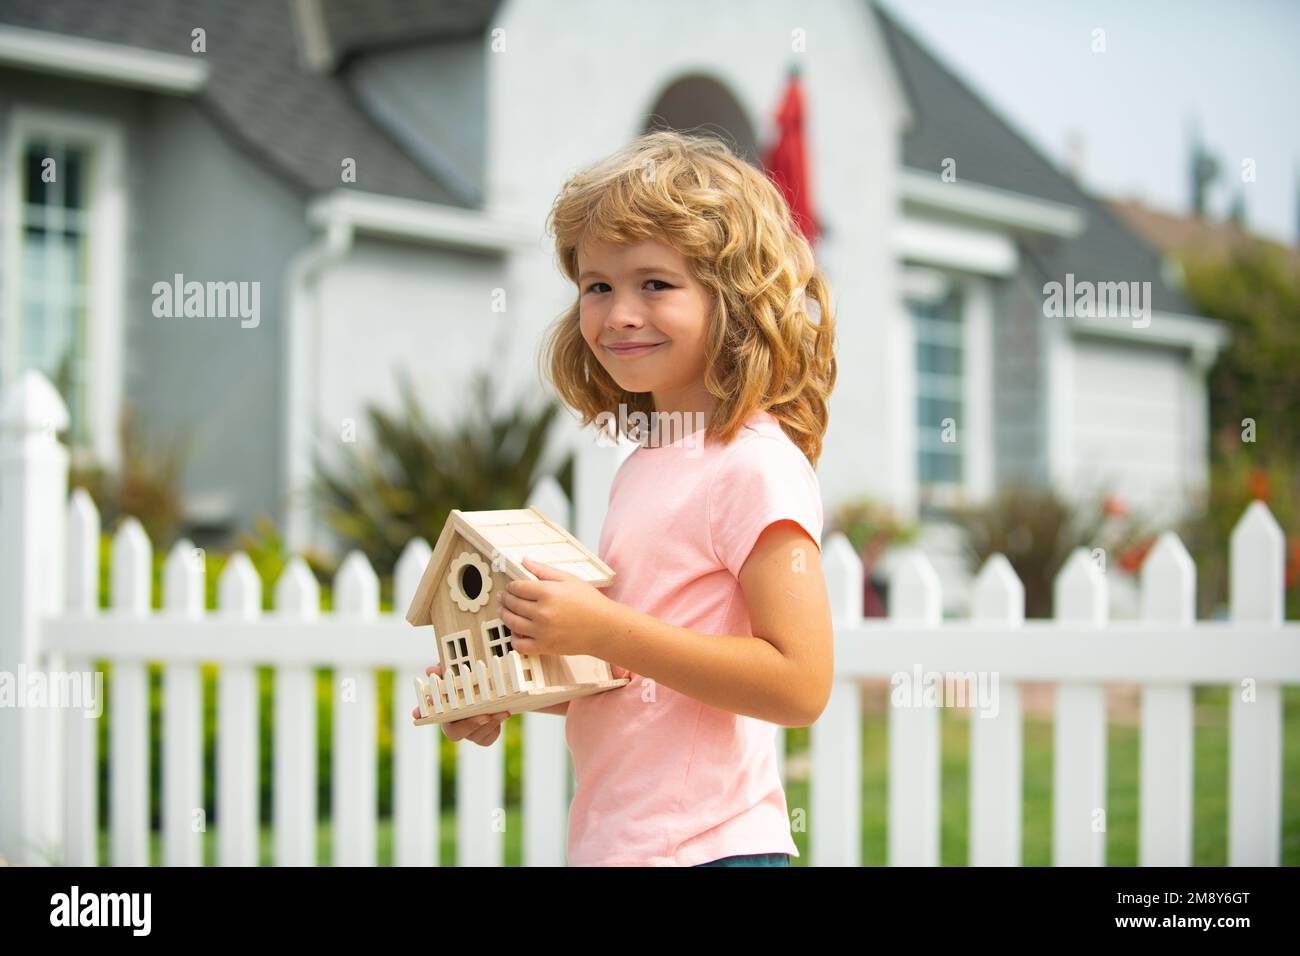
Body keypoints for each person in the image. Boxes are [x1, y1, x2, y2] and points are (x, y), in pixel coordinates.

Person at [416, 129, 837, 867]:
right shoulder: (648, 463)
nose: (619, 314)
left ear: (734, 299)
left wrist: (605, 629)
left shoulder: (756, 467)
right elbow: (632, 678)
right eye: (597, 285)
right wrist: (506, 691)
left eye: (656, 283)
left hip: (710, 852)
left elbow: (800, 684)